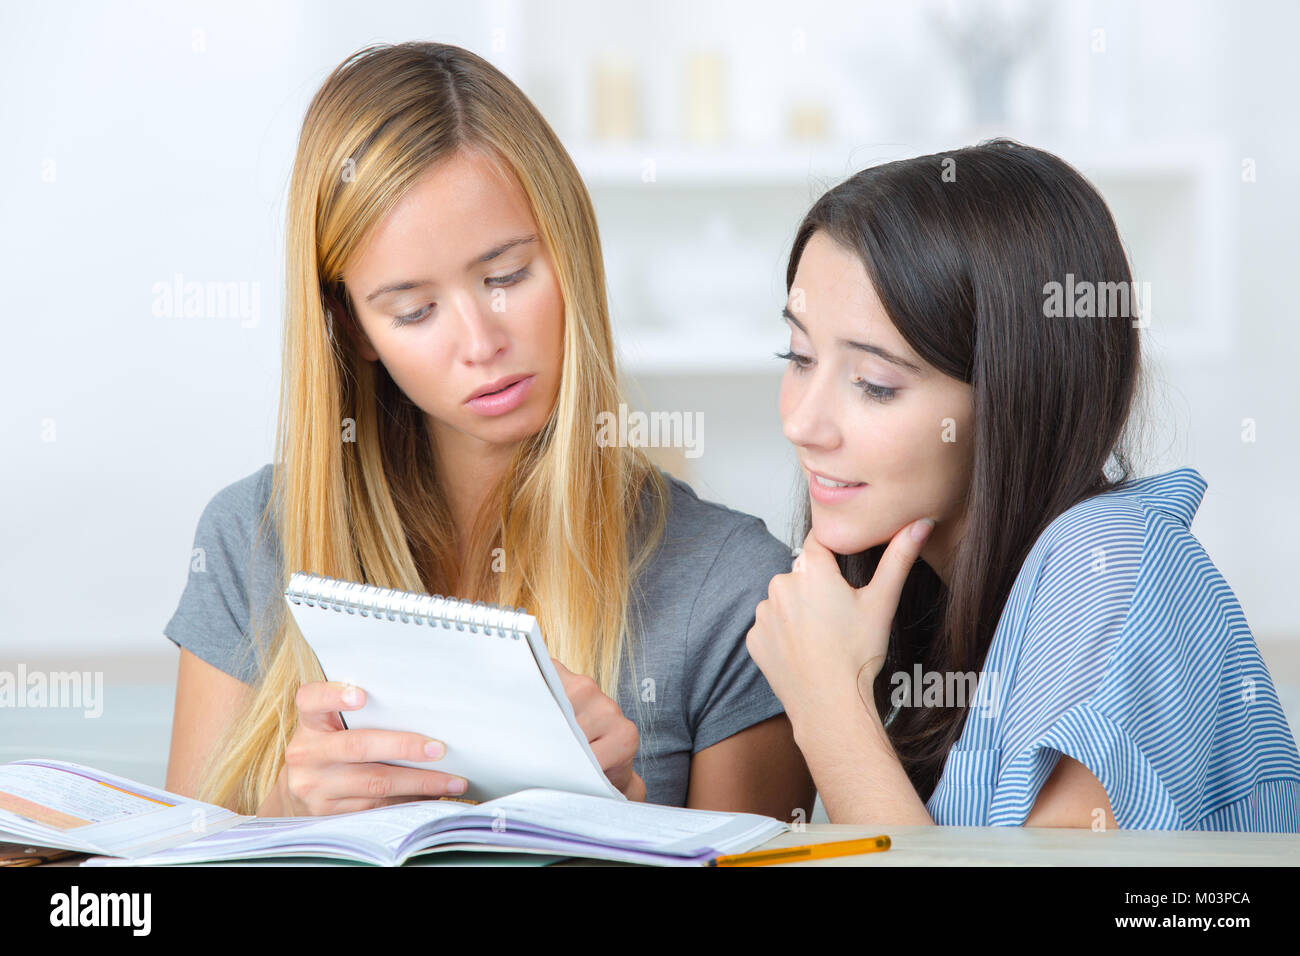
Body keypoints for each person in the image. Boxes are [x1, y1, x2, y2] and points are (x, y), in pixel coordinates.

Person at [163, 41, 815, 820]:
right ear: (353, 326)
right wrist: (282, 817)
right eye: (413, 309)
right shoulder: (248, 540)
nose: (480, 342)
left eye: (505, 276)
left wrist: (621, 830)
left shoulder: (732, 587)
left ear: (571, 247)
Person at [746, 139, 1300, 830]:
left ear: (1017, 394)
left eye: (873, 384)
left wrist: (830, 709)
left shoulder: (1111, 558)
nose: (801, 422)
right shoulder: (950, 605)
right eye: (796, 357)